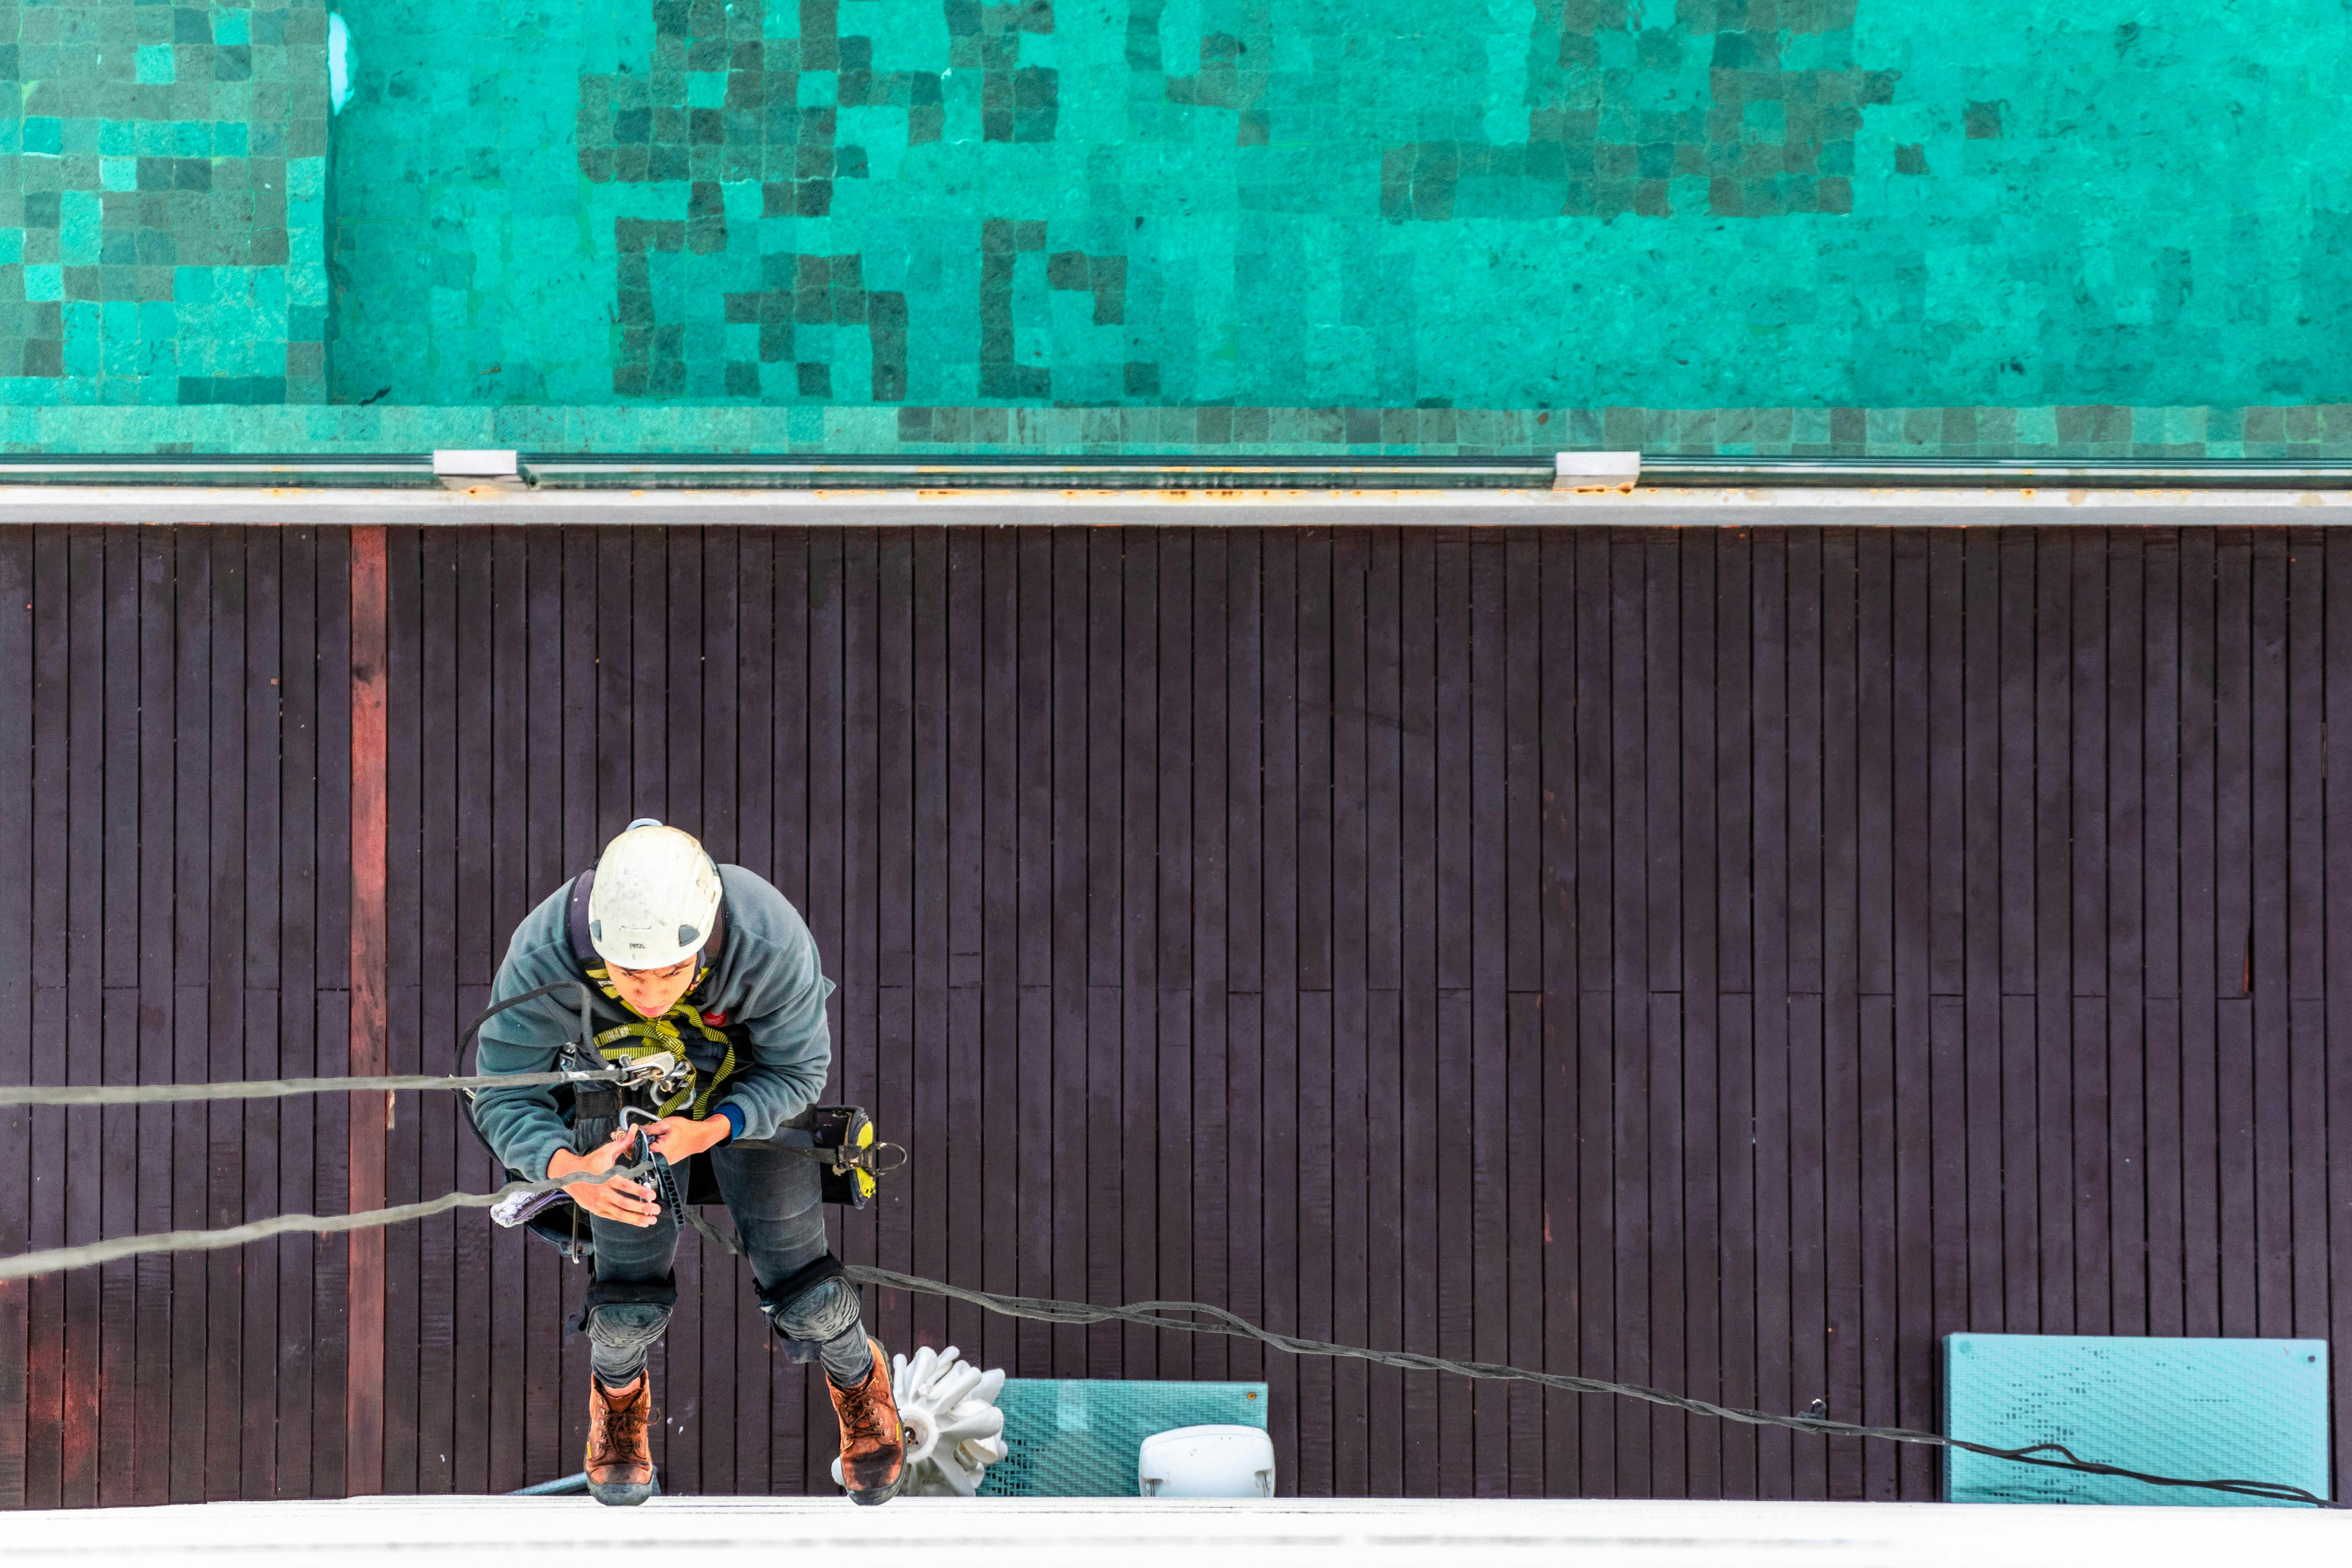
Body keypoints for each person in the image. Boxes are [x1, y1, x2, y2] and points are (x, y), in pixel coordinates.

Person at [471, 819, 905, 1506]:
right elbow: (500, 1094)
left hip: (746, 1095)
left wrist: (714, 1128)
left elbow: (798, 1070)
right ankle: (617, 1409)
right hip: (618, 1106)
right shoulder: (545, 953)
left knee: (808, 1292)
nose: (649, 994)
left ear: (706, 939)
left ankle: (860, 1382)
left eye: (671, 972)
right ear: (595, 949)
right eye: (627, 976)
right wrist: (563, 1166)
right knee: (625, 1305)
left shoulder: (767, 934)